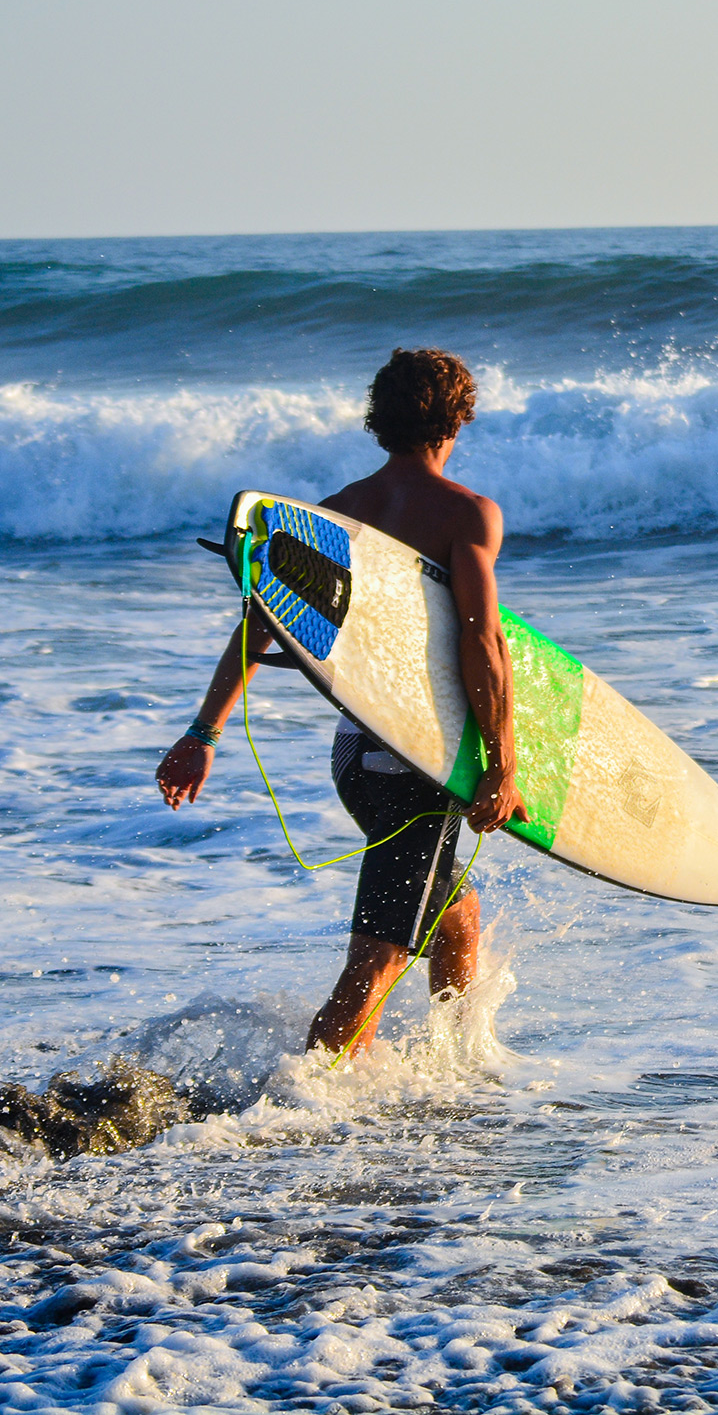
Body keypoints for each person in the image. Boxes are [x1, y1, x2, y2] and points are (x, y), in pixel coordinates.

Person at [155, 348, 526, 1059]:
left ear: (378, 422)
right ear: (459, 419)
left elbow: (258, 621)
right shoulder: (469, 514)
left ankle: (450, 1069)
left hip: (356, 755)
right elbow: (483, 644)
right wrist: (502, 766)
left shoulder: (336, 513)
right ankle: (305, 1108)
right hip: (415, 764)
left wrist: (204, 730)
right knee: (379, 959)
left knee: (454, 912)